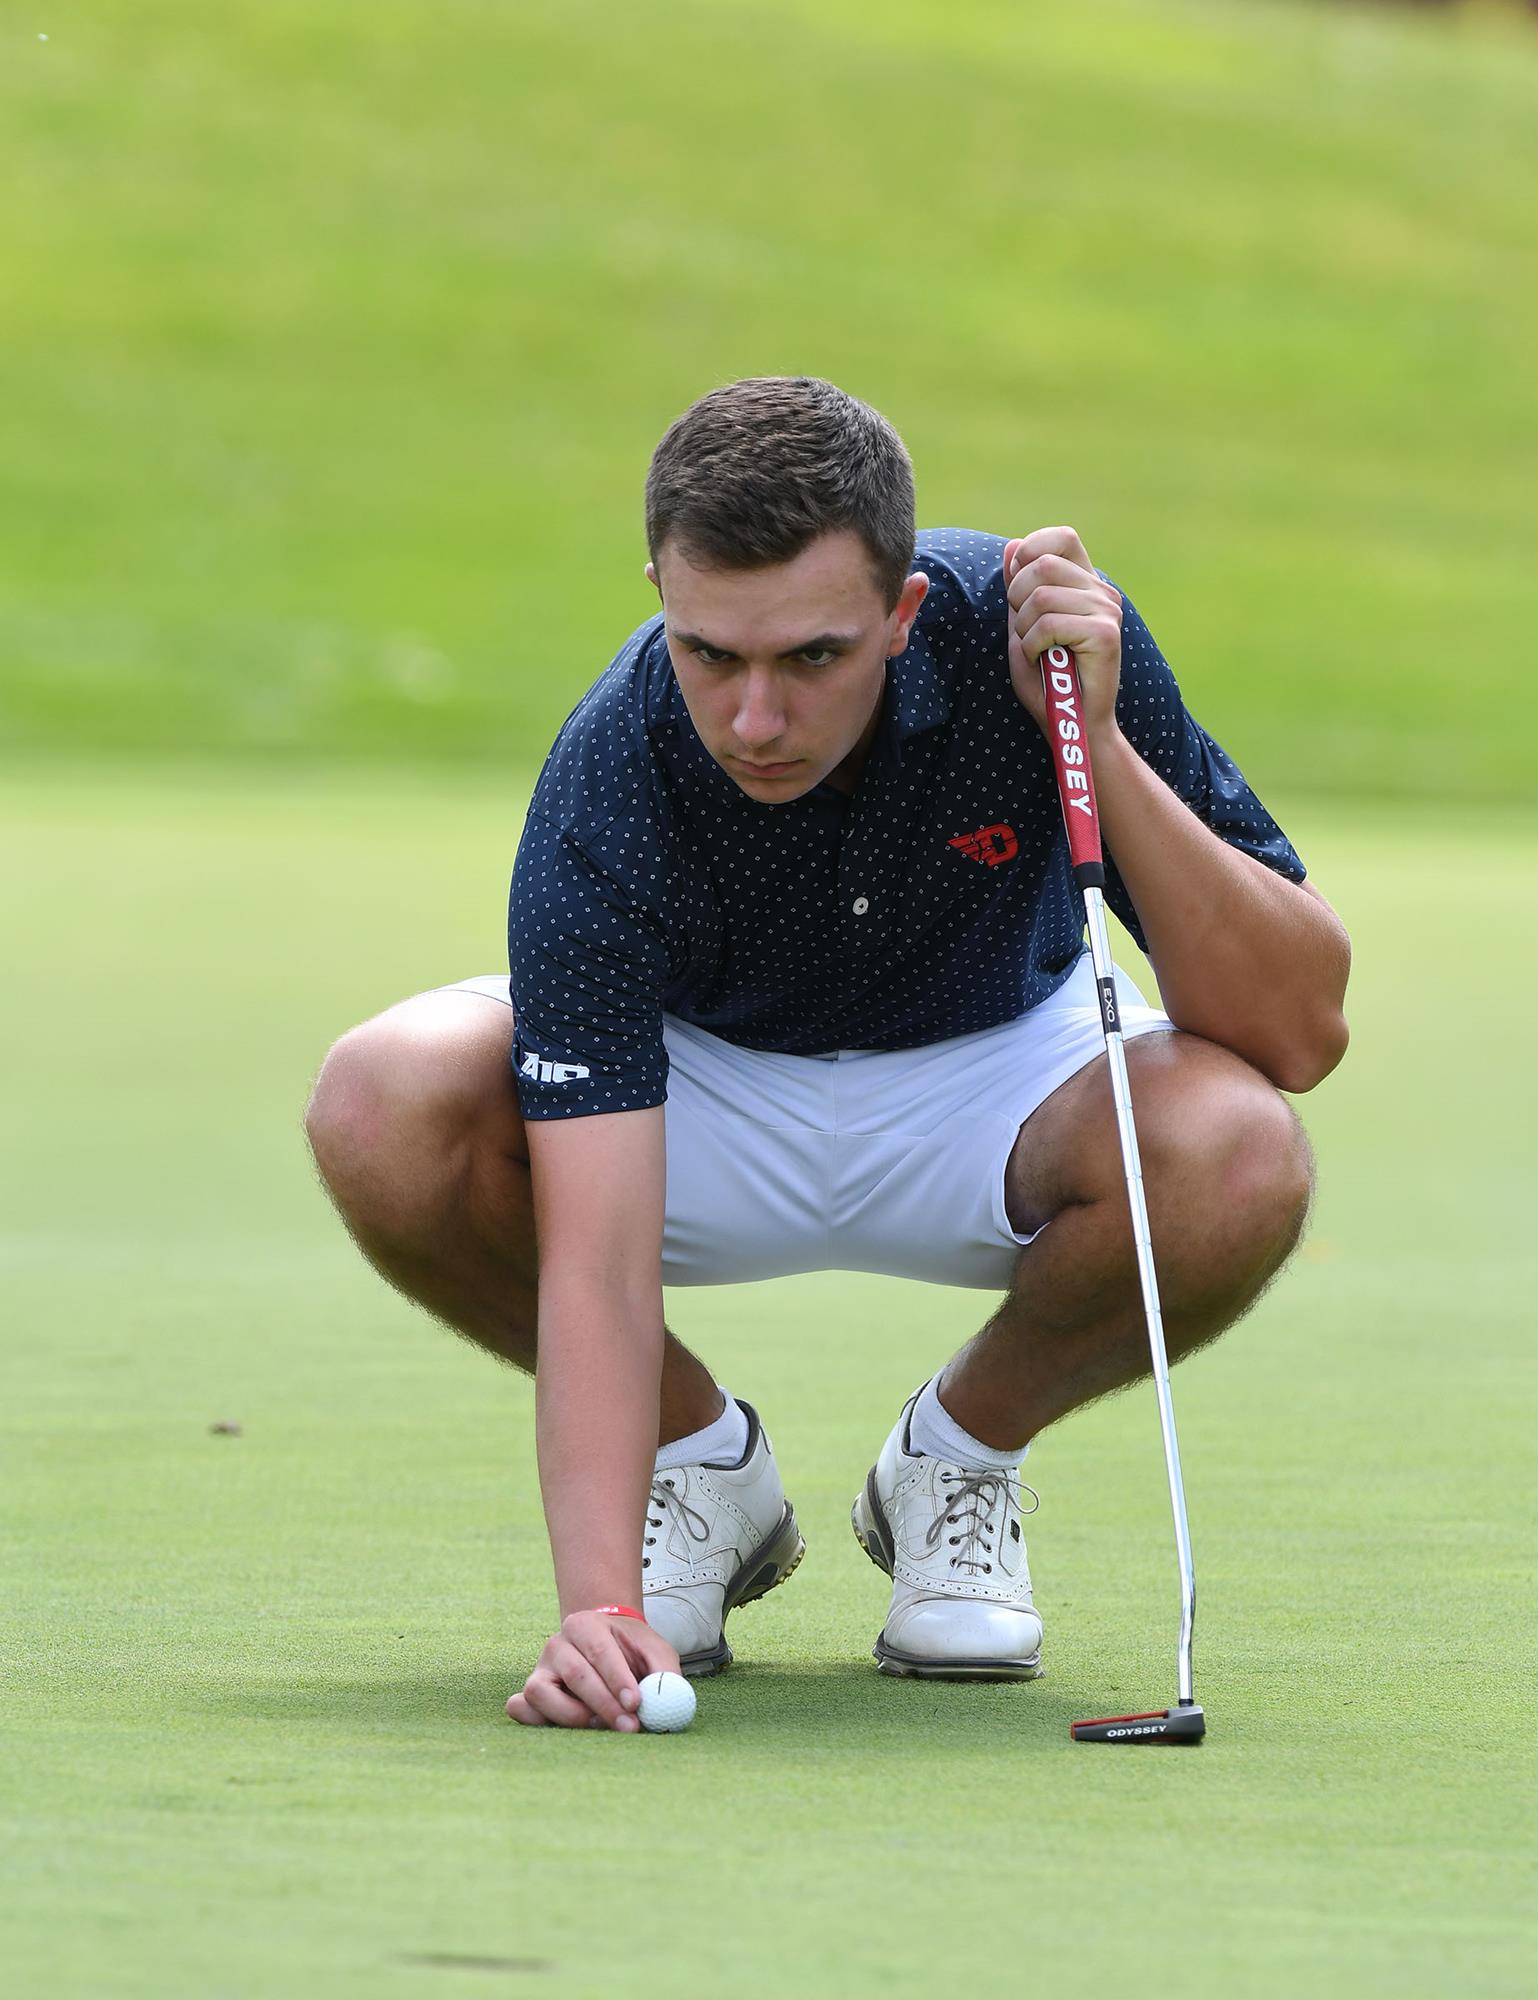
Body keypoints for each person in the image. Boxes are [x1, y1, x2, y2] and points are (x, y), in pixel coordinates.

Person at [305, 377, 1350, 1734]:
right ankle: (699, 1468)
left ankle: (955, 1459)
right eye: (708, 657)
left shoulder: (1028, 639)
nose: (751, 720)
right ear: (658, 599)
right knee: (382, 1100)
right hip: (701, 1088)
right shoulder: (609, 777)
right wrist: (594, 1616)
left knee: (1239, 1151)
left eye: (810, 658)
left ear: (905, 614)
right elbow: (598, 1261)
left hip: (1002, 1075)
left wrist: (1086, 740)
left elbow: (1294, 1032)